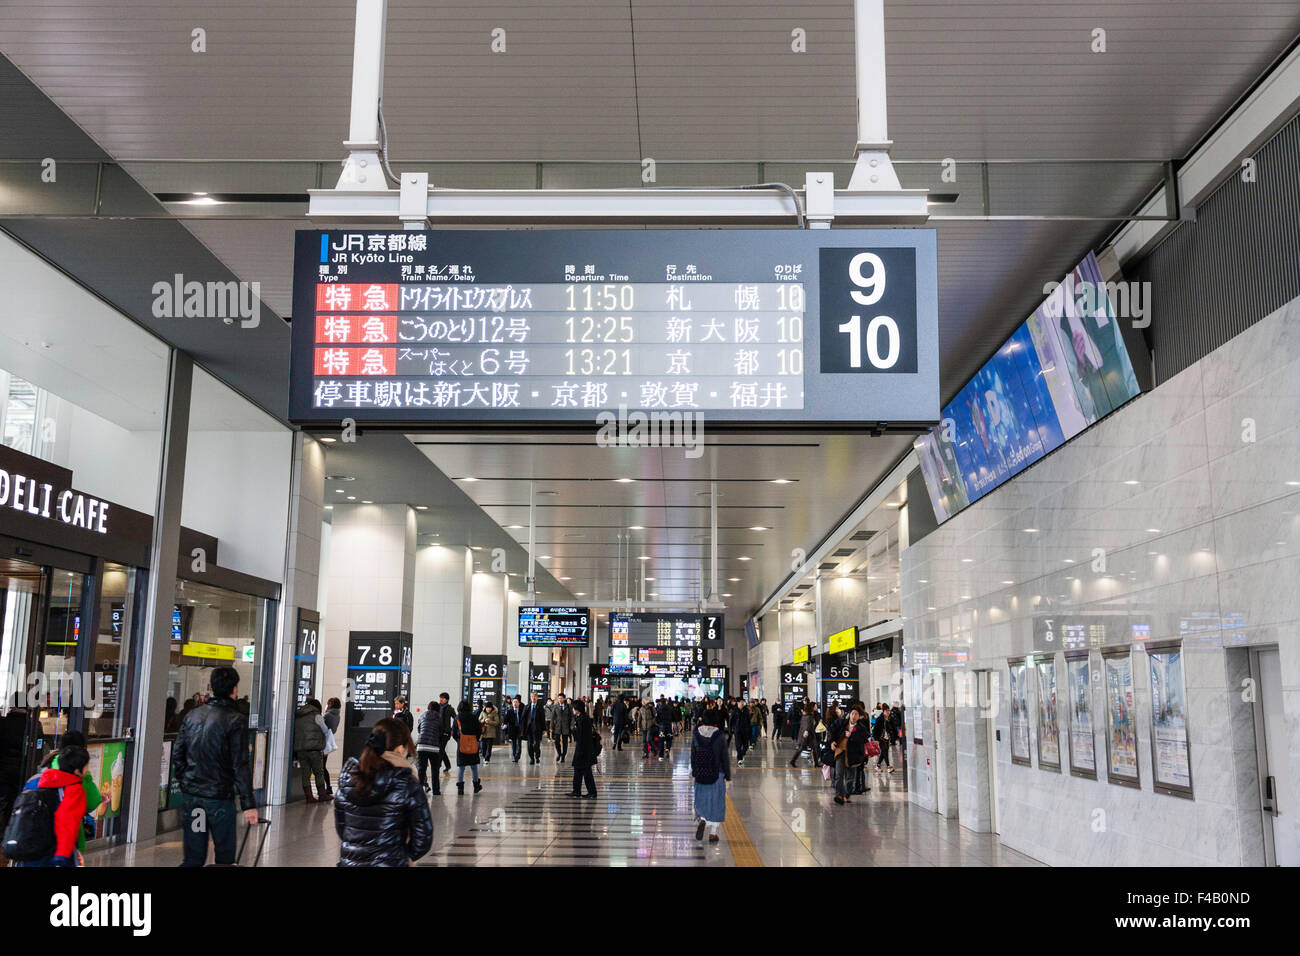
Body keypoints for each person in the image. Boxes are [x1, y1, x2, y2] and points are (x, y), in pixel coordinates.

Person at [171, 666, 258, 867]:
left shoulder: (192, 716)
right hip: (219, 802)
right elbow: (240, 765)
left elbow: (178, 754)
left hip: (194, 801)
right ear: (234, 689)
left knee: (193, 858)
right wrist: (248, 804)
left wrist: (187, 783)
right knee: (224, 859)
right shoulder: (236, 720)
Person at [333, 717, 432, 866]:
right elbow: (423, 837)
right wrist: (401, 856)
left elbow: (343, 830)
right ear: (400, 748)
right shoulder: (406, 783)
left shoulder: (348, 781)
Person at [12, 744, 89, 867]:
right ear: (77, 770)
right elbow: (67, 822)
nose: (87, 770)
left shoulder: (40, 781)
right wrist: (62, 855)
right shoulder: (74, 789)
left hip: (31, 847)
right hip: (54, 851)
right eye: (86, 766)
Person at [691, 710, 730, 844]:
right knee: (717, 802)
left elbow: (693, 755)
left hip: (701, 772)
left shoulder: (696, 734)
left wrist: (695, 771)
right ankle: (713, 834)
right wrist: (727, 774)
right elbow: (724, 756)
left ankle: (702, 818)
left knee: (701, 799)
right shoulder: (719, 735)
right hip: (716, 773)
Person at [293, 697, 330, 801]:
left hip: (301, 749)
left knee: (305, 773)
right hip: (314, 748)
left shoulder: (298, 716)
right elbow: (325, 730)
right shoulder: (317, 716)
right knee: (319, 772)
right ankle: (322, 795)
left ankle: (309, 797)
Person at [832, 706, 870, 805]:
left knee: (850, 778)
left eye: (856, 714)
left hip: (853, 755)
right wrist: (832, 742)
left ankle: (846, 794)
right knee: (839, 774)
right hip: (840, 751)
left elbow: (864, 739)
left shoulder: (861, 728)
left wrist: (852, 736)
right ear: (849, 715)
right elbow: (832, 731)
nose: (853, 716)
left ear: (859, 717)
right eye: (852, 713)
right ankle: (838, 795)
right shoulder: (841, 723)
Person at [452, 700, 483, 795]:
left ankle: (460, 789)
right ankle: (476, 786)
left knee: (461, 767)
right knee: (474, 766)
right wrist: (474, 739)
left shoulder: (457, 718)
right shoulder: (473, 717)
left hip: (461, 745)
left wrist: (459, 740)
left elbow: (453, 733)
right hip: (473, 744)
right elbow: (479, 730)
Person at [568, 700, 597, 799]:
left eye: (573, 708)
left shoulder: (583, 720)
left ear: (577, 709)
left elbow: (581, 736)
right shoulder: (581, 718)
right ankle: (577, 791)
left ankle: (592, 793)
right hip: (583, 749)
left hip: (584, 750)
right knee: (578, 770)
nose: (572, 710)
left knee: (586, 772)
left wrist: (573, 730)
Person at [415, 700, 444, 795]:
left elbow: (419, 729)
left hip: (421, 745)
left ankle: (419, 791)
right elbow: (440, 731)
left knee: (421, 770)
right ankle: (436, 791)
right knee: (435, 770)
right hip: (433, 747)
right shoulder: (439, 717)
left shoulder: (423, 715)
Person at [321, 697, 342, 794]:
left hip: (322, 741)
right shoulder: (337, 716)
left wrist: (324, 713)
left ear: (330, 704)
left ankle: (327, 787)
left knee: (321, 767)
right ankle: (328, 787)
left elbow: (321, 726)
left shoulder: (328, 715)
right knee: (323, 765)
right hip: (328, 742)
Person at [523, 692, 546, 764]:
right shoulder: (527, 707)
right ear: (530, 697)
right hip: (529, 728)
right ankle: (532, 758)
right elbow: (523, 718)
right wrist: (523, 729)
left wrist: (544, 729)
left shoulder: (540, 707)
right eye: (532, 696)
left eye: (535, 696)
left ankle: (537, 756)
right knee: (529, 745)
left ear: (537, 698)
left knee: (536, 744)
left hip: (537, 728)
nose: (533, 698)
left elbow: (543, 718)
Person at [551, 694, 573, 762]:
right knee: (557, 742)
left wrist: (572, 724)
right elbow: (552, 718)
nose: (560, 699)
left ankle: (563, 756)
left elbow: (572, 717)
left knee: (565, 742)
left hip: (566, 727)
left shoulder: (569, 707)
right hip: (557, 727)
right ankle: (559, 753)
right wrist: (551, 727)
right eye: (559, 698)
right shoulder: (555, 707)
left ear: (564, 699)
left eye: (561, 698)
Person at [436, 692, 454, 773]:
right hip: (438, 731)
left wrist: (453, 729)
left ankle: (437, 765)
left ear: (446, 700)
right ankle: (448, 765)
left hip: (446, 732)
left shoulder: (450, 708)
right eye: (440, 698)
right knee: (441, 749)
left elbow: (456, 718)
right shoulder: (437, 707)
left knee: (440, 749)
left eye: (442, 698)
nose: (441, 699)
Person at [873, 703, 893, 773]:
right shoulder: (880, 719)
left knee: (884, 752)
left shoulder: (889, 719)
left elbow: (890, 729)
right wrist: (876, 739)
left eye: (889, 710)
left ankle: (878, 765)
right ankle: (888, 766)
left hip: (887, 738)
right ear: (883, 711)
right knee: (885, 751)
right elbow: (875, 730)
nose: (888, 712)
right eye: (886, 711)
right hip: (880, 738)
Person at [505, 695, 524, 762]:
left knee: (519, 742)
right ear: (512, 704)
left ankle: (517, 755)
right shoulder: (509, 711)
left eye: (516, 702)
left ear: (519, 703)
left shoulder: (522, 711)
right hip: (512, 729)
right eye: (514, 702)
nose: (515, 703)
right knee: (513, 743)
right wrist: (505, 725)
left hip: (519, 729)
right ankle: (514, 755)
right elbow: (506, 720)